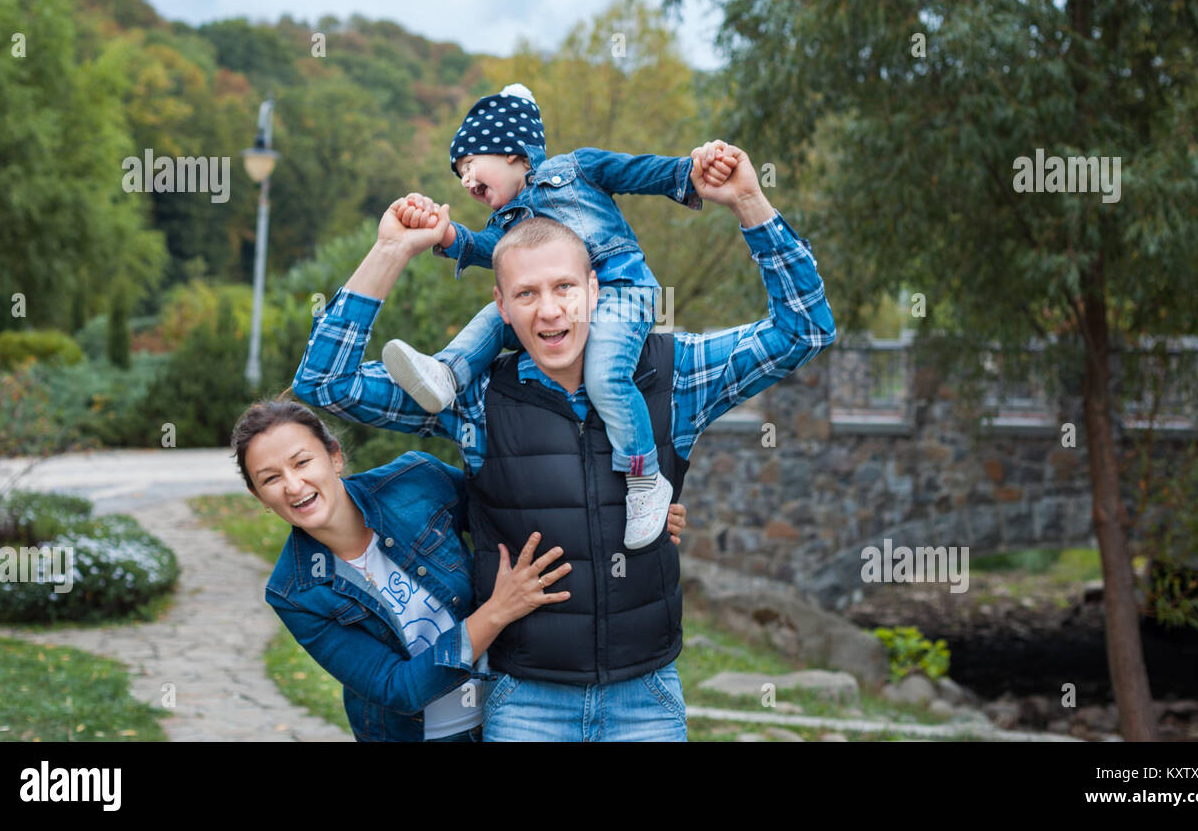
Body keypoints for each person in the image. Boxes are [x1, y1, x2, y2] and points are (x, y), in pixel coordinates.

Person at [292, 142, 837, 741]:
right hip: (527, 701)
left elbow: (805, 326)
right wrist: (391, 250)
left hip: (646, 699)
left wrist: (748, 201)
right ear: (500, 304)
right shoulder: (474, 399)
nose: (549, 312)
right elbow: (328, 383)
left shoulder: (673, 374)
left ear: (595, 288)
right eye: (526, 294)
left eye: (563, 288)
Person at [380, 83, 735, 551]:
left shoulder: (576, 169)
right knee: (499, 311)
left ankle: (644, 478)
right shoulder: (506, 221)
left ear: (512, 154)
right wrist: (446, 235)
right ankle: (447, 372)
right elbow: (488, 250)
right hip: (557, 311)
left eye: (469, 165)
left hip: (619, 293)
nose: (465, 181)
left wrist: (694, 169)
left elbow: (639, 171)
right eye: (459, 175)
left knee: (606, 376)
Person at [229, 395, 690, 741]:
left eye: (302, 462)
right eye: (270, 478)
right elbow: (398, 688)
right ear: (259, 496)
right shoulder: (294, 592)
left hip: (514, 709)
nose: (293, 485)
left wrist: (634, 517)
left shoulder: (414, 482)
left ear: (334, 455)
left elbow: (519, 516)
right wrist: (497, 611)